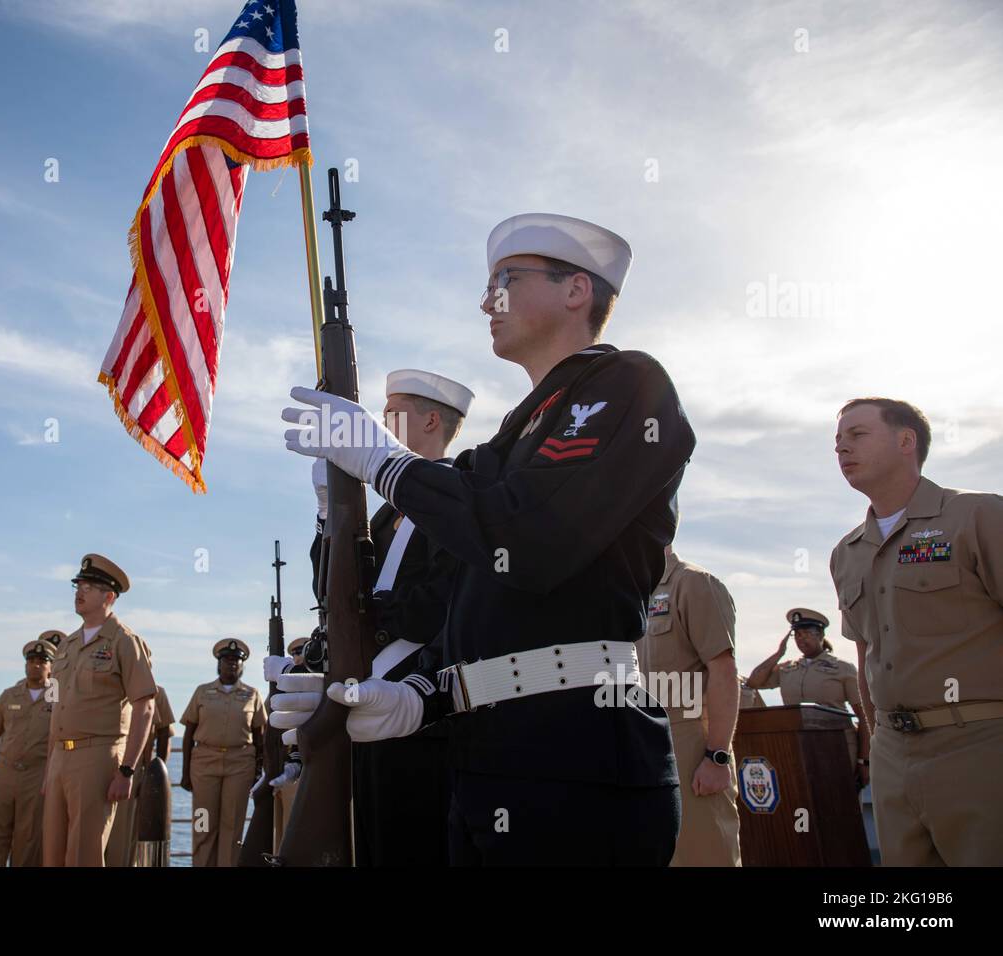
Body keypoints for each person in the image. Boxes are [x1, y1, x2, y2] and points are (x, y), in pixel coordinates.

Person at [276, 212, 696, 865]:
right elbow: (472, 608)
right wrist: (414, 693)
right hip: (485, 761)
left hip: (577, 766)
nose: (485, 301)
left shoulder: (627, 384)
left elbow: (530, 542)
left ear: (575, 290)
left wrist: (386, 464)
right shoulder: (504, 448)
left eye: (507, 280)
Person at [287, 368, 471, 866]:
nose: (375, 424)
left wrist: (373, 623)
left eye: (391, 415)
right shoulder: (386, 515)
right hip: (370, 706)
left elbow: (444, 600)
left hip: (426, 714)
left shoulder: (458, 496)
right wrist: (329, 514)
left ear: (432, 421)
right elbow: (333, 593)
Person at [830, 396, 1003, 865]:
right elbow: (866, 656)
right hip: (891, 753)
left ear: (907, 441)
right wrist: (879, 741)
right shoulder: (847, 552)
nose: (842, 448)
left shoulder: (978, 516)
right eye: (837, 440)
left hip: (979, 745)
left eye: (857, 435)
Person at [42, 554, 156, 867]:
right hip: (60, 759)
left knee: (84, 854)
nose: (79, 592)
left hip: (97, 756)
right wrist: (51, 766)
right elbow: (57, 709)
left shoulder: (125, 642)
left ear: (108, 597)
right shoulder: (67, 645)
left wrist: (127, 770)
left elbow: (145, 706)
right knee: (52, 853)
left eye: (89, 587)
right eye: (78, 585)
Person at [638, 546, 741, 866]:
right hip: (643, 746)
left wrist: (717, 756)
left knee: (704, 853)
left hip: (692, 745)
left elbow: (723, 672)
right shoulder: (630, 596)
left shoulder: (694, 584)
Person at [746, 607, 868, 781]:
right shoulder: (788, 669)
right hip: (798, 747)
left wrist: (864, 760)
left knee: (839, 803)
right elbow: (753, 682)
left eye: (807, 633)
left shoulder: (842, 668)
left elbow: (863, 717)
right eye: (797, 634)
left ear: (820, 635)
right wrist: (778, 654)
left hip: (836, 746)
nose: (801, 638)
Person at [179, 639, 265, 867]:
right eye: (227, 660)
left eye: (236, 661)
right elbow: (188, 734)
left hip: (239, 766)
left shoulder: (252, 695)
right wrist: (185, 773)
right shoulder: (202, 692)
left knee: (232, 827)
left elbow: (260, 736)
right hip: (204, 766)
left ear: (243, 665)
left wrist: (258, 771)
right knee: (203, 823)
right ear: (218, 664)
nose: (232, 665)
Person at [0, 632, 62, 867]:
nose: (35, 666)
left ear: (51, 666)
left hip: (37, 775)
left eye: (41, 662)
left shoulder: (58, 699)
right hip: (5, 772)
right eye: (31, 661)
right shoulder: (9, 696)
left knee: (29, 838)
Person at [104, 683, 174, 868]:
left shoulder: (155, 692)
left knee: (123, 837)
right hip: (100, 767)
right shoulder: (101, 688)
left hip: (131, 772)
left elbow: (164, 732)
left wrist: (153, 777)